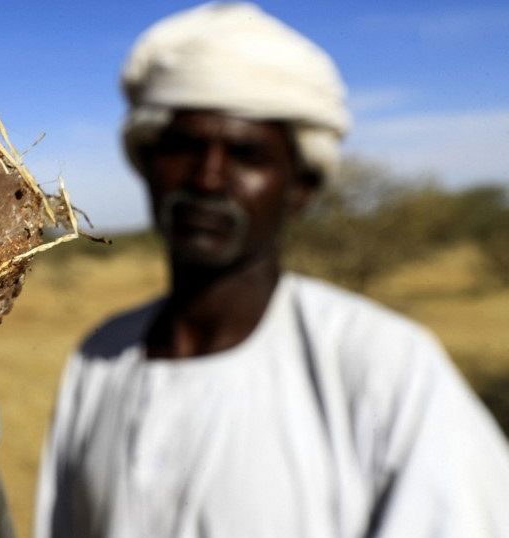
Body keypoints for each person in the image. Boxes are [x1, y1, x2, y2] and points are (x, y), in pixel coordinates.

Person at [33, 3, 509, 537]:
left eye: (247, 154)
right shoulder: (100, 358)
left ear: (300, 188)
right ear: (146, 164)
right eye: (184, 147)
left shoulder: (388, 371)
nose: (208, 178)